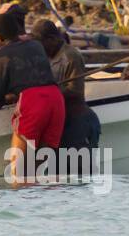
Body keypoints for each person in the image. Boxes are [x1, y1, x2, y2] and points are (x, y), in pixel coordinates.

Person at [0, 12, 63, 182]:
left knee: (19, 172)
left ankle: (20, 206)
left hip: (33, 101)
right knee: (40, 170)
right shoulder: (36, 45)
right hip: (56, 98)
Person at [31, 19, 99, 156]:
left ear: (51, 39)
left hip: (76, 122)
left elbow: (76, 91)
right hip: (59, 122)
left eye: (39, 43)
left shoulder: (70, 56)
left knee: (77, 172)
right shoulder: (47, 57)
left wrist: (45, 95)